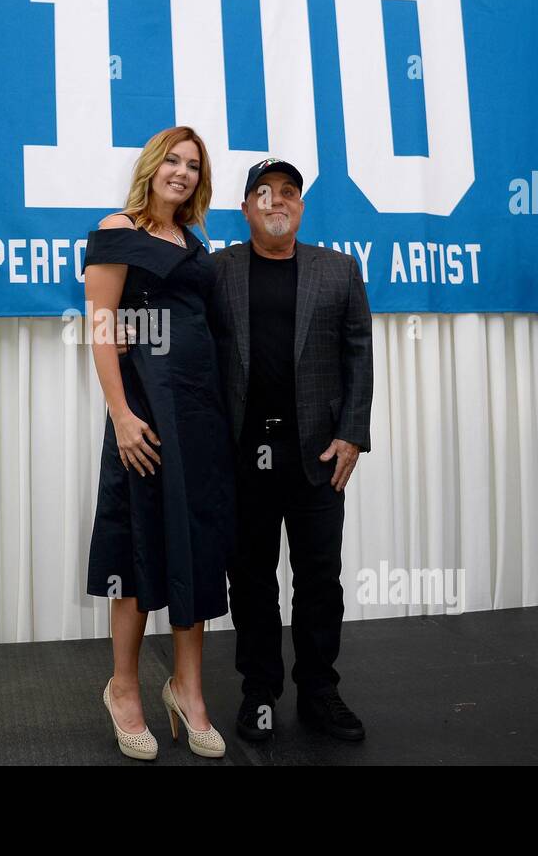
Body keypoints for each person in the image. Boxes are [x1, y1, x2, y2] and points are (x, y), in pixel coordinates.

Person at [83, 126, 235, 760]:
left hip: (201, 420)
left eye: (193, 165)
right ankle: (123, 688)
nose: (182, 172)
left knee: (195, 550)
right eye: (172, 160)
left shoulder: (194, 242)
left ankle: (188, 690)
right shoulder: (119, 228)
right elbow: (100, 325)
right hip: (144, 415)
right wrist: (120, 415)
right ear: (151, 166)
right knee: (139, 549)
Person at [209, 158, 373, 743]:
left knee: (320, 578)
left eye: (289, 193)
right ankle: (259, 691)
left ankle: (320, 690)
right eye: (264, 192)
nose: (277, 201)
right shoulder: (218, 270)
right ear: (246, 207)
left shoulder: (338, 270)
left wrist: (352, 434)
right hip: (243, 456)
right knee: (251, 581)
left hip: (317, 455)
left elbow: (358, 354)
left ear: (300, 208)